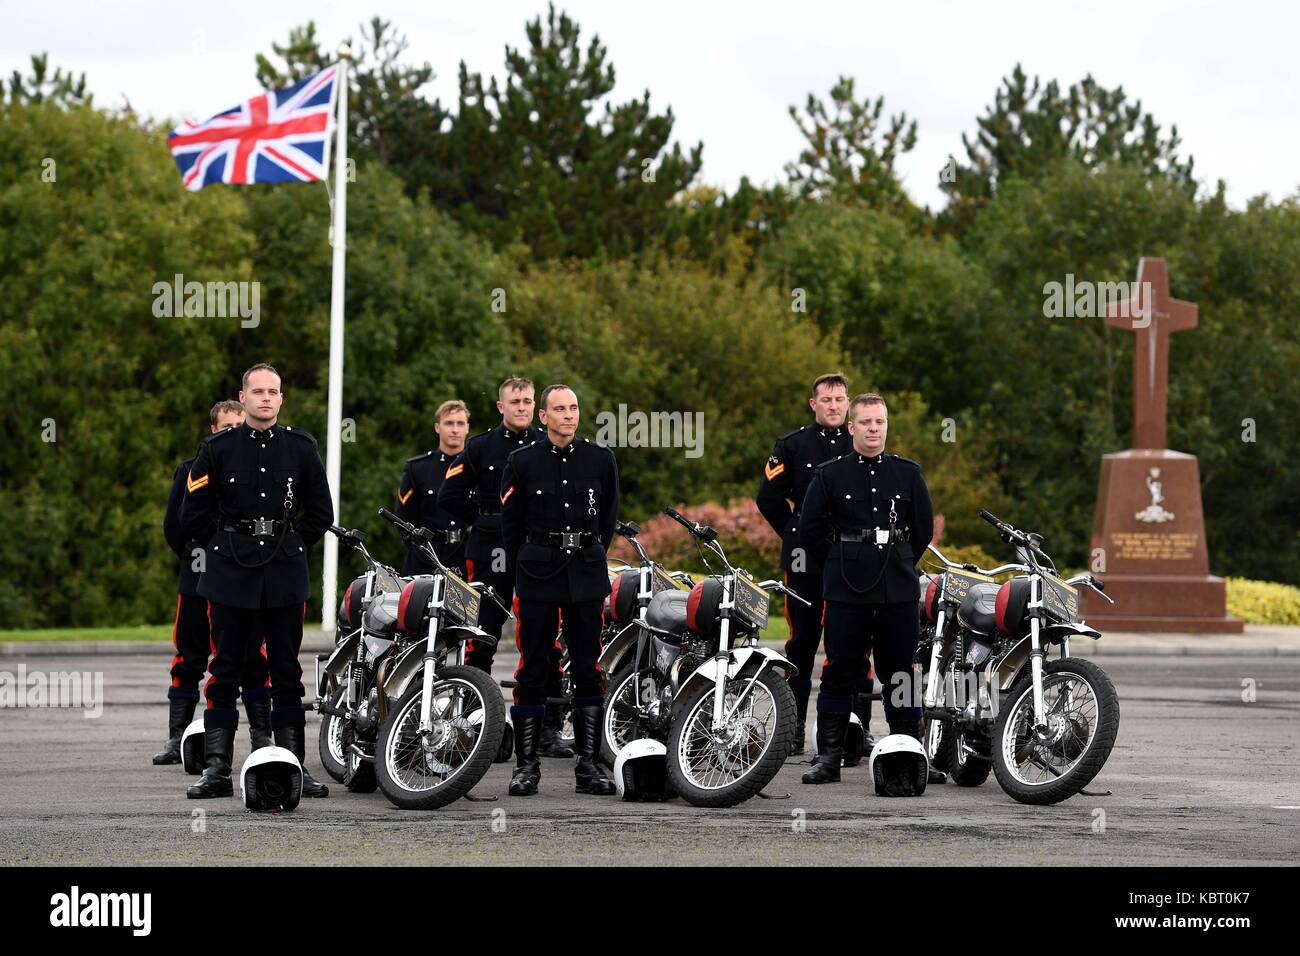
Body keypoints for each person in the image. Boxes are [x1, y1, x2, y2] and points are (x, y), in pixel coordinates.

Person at [180, 363, 335, 799]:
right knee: (224, 670)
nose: (266, 398)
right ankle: (216, 770)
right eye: (258, 391)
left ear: (281, 399)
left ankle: (293, 767)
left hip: (285, 573)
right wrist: (226, 546)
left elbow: (321, 514)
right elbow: (193, 516)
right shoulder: (217, 449)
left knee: (287, 672)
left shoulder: (301, 447)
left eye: (274, 391)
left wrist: (289, 545)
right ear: (243, 397)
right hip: (230, 574)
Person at [798, 393, 934, 784]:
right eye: (867, 423)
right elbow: (811, 531)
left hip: (897, 587)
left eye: (881, 422)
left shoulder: (907, 473)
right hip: (846, 588)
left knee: (899, 673)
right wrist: (844, 559)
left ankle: (908, 750)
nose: (875, 429)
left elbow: (921, 531)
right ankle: (829, 757)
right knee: (841, 669)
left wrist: (898, 559)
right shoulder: (829, 474)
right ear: (852, 427)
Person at [438, 378, 570, 758]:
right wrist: (485, 519)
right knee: (481, 637)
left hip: (534, 546)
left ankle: (547, 728)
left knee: (544, 638)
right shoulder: (479, 447)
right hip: (490, 546)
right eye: (515, 401)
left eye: (528, 401)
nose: (522, 408)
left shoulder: (546, 446)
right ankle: (475, 724)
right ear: (500, 406)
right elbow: (450, 496)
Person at [499, 384, 619, 797]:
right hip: (538, 572)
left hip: (585, 571)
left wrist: (589, 550)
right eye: (559, 409)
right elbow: (511, 526)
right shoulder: (521, 461)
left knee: (587, 667)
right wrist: (526, 566)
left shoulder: (600, 459)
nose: (568, 415)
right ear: (543, 417)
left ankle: (587, 765)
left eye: (573, 408)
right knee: (533, 667)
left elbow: (606, 519)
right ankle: (527, 766)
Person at [755, 372, 875, 756]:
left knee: (857, 644)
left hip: (851, 556)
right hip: (806, 557)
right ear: (814, 404)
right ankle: (791, 731)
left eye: (841, 399)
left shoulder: (860, 443)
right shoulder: (792, 445)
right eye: (827, 400)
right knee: (802, 643)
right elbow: (768, 498)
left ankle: (857, 730)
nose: (835, 406)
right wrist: (795, 530)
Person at [154, 401, 273, 764]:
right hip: (199, 573)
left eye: (238, 426)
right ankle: (178, 738)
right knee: (190, 656)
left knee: (253, 658)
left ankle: (262, 738)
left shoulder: (260, 473)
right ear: (213, 431)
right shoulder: (191, 469)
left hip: (245, 579)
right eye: (225, 427)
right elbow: (176, 527)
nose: (232, 433)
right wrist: (205, 557)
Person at [394, 400, 471, 575]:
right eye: (448, 423)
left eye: (460, 423)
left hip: (465, 558)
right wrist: (421, 545)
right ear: (437, 427)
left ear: (467, 428)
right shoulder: (417, 468)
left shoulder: (477, 468)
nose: (455, 429)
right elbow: (403, 518)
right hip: (424, 558)